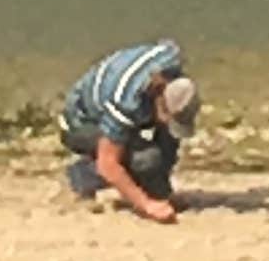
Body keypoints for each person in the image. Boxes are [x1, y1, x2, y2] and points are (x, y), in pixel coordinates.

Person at [60, 39, 200, 220]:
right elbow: (108, 163)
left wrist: (161, 194)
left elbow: (168, 44)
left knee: (168, 139)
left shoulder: (171, 59)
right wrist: (146, 205)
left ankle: (158, 190)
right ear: (158, 99)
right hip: (81, 124)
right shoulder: (125, 101)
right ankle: (82, 175)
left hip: (138, 100)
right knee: (146, 159)